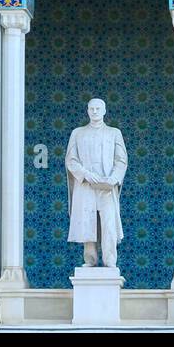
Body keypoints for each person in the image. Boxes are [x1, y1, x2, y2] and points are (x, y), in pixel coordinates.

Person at [65, 98, 129, 268]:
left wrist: (114, 178)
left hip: (107, 187)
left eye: (98, 108)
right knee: (88, 222)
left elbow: (121, 160)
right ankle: (90, 260)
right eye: (91, 109)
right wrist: (85, 174)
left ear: (104, 110)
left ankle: (110, 261)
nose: (94, 112)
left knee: (108, 223)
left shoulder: (114, 133)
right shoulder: (77, 133)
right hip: (86, 185)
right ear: (87, 111)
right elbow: (71, 160)